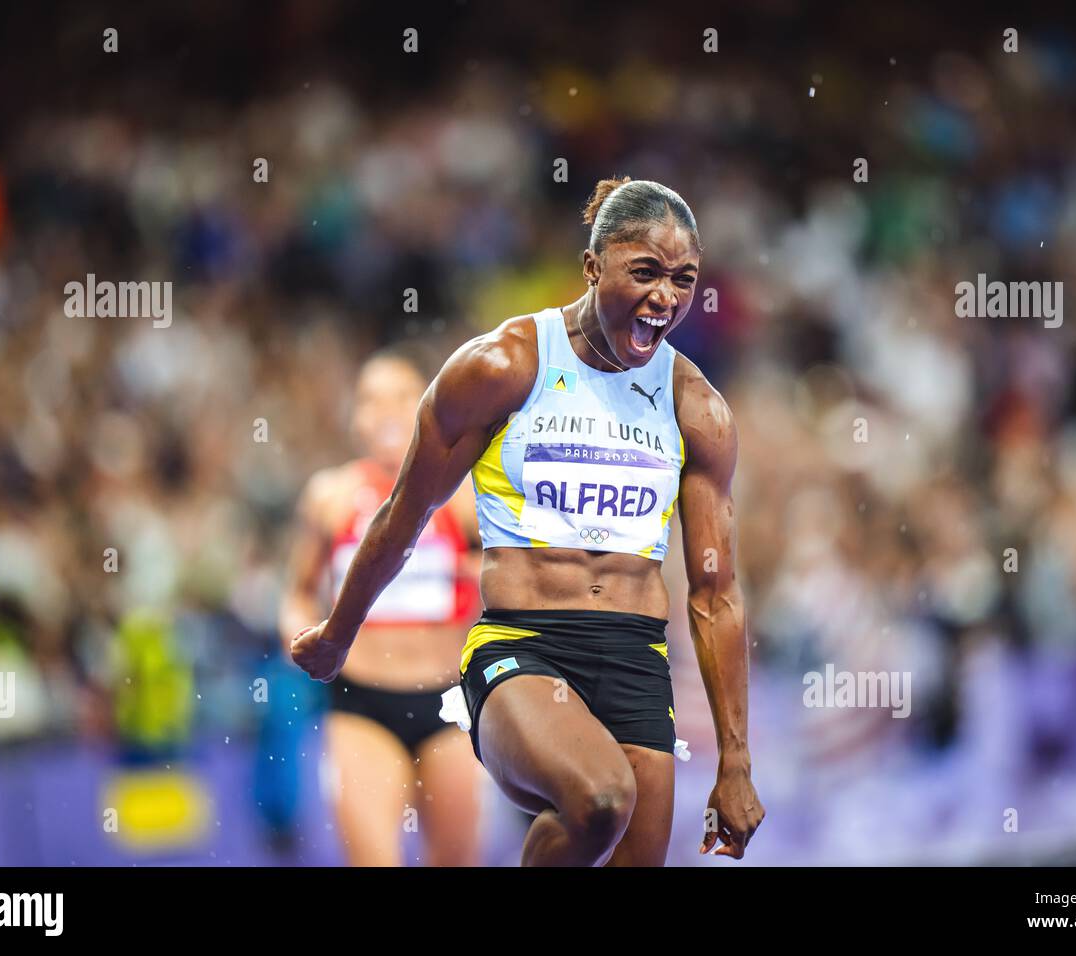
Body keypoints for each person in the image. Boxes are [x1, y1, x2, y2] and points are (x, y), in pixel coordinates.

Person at [292, 177, 764, 865]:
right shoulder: (503, 366)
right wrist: (340, 631)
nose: (666, 297)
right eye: (646, 273)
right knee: (600, 799)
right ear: (591, 266)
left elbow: (715, 592)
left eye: (684, 279)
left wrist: (736, 762)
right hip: (522, 645)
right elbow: (404, 514)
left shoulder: (697, 408)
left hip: (636, 657)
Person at [280, 345, 483, 866]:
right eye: (371, 399)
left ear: (428, 405)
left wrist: (469, 572)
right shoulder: (330, 496)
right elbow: (298, 590)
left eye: (401, 397)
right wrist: (299, 637)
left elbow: (509, 576)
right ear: (356, 416)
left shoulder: (462, 494)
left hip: (449, 702)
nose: (387, 411)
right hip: (362, 704)